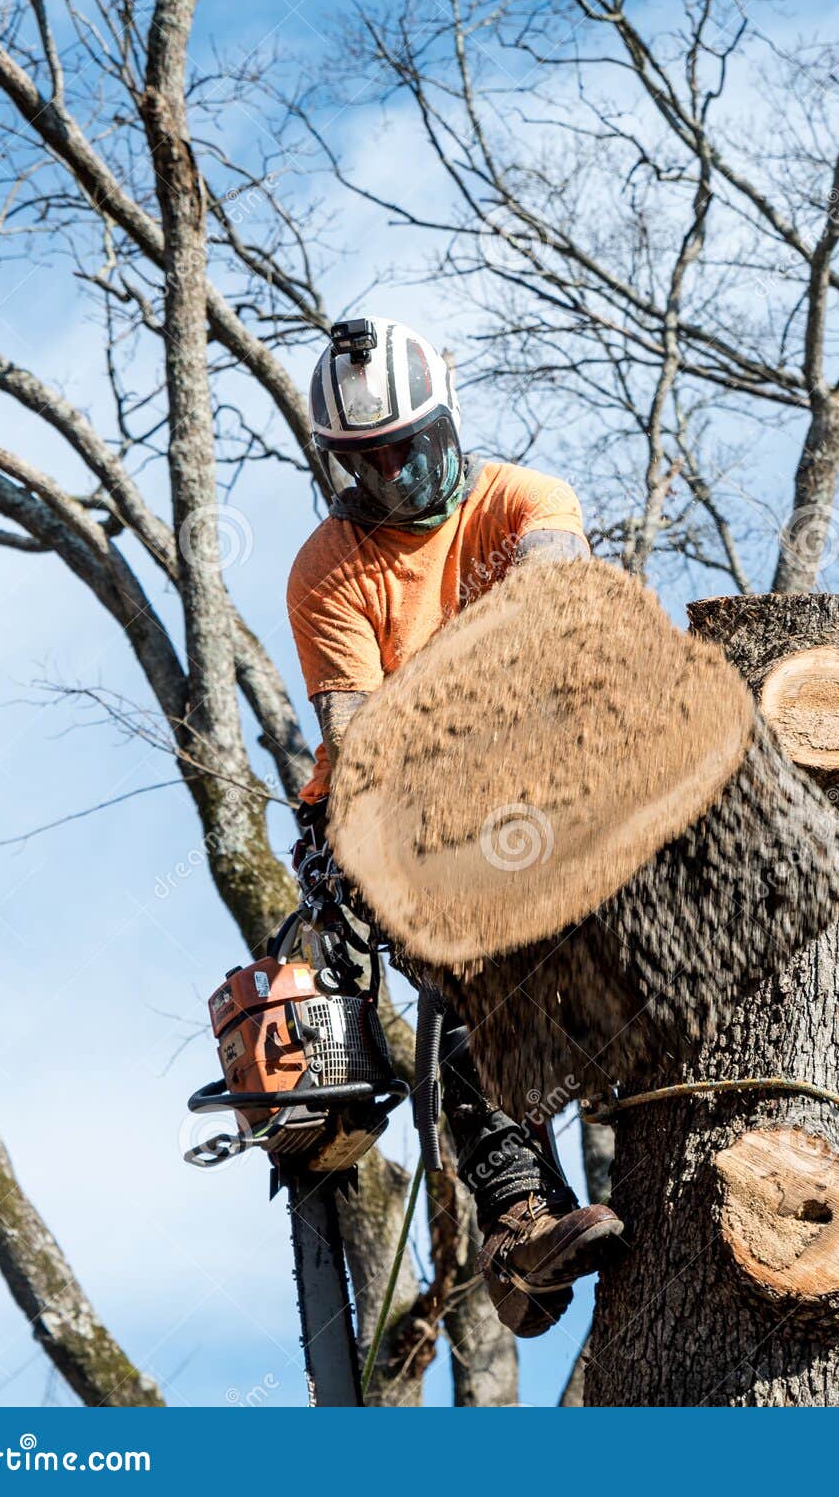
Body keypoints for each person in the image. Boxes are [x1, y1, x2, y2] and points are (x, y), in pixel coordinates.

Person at [286, 315, 623, 1338]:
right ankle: (520, 1216)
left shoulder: (527, 501)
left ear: (447, 424)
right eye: (364, 461)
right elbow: (364, 739)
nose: (391, 478)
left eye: (406, 449)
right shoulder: (329, 567)